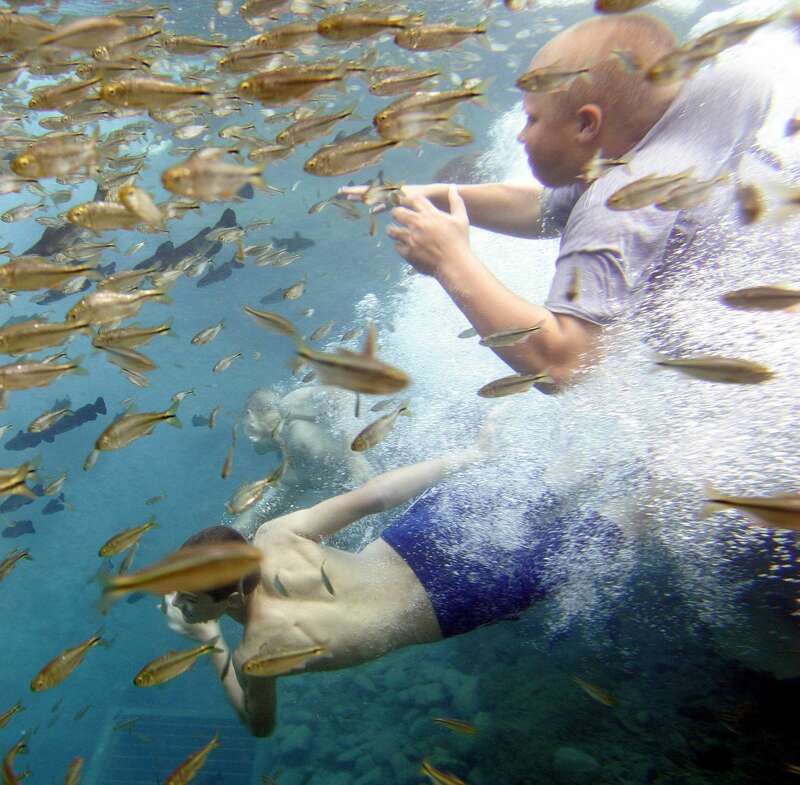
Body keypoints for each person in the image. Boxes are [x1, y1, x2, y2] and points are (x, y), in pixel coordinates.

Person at [342, 13, 774, 386]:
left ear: (587, 126)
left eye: (532, 118)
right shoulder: (713, 99)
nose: (520, 133)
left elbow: (564, 364)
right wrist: (432, 195)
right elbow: (546, 208)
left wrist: (448, 260)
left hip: (742, 377)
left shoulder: (619, 202)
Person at [161, 423, 617, 737]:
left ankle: (669, 483)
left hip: (457, 600)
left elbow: (261, 727)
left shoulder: (255, 653)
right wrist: (469, 456)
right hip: (421, 538)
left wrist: (211, 638)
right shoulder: (274, 535)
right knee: (564, 481)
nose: (178, 604)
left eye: (188, 599)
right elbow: (374, 496)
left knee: (609, 531)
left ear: (233, 594)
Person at [235, 386, 373, 535]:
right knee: (250, 522)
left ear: (250, 417)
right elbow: (256, 514)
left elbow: (342, 393)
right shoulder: (292, 460)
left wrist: (353, 456)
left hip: (372, 467)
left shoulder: (291, 404)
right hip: (361, 490)